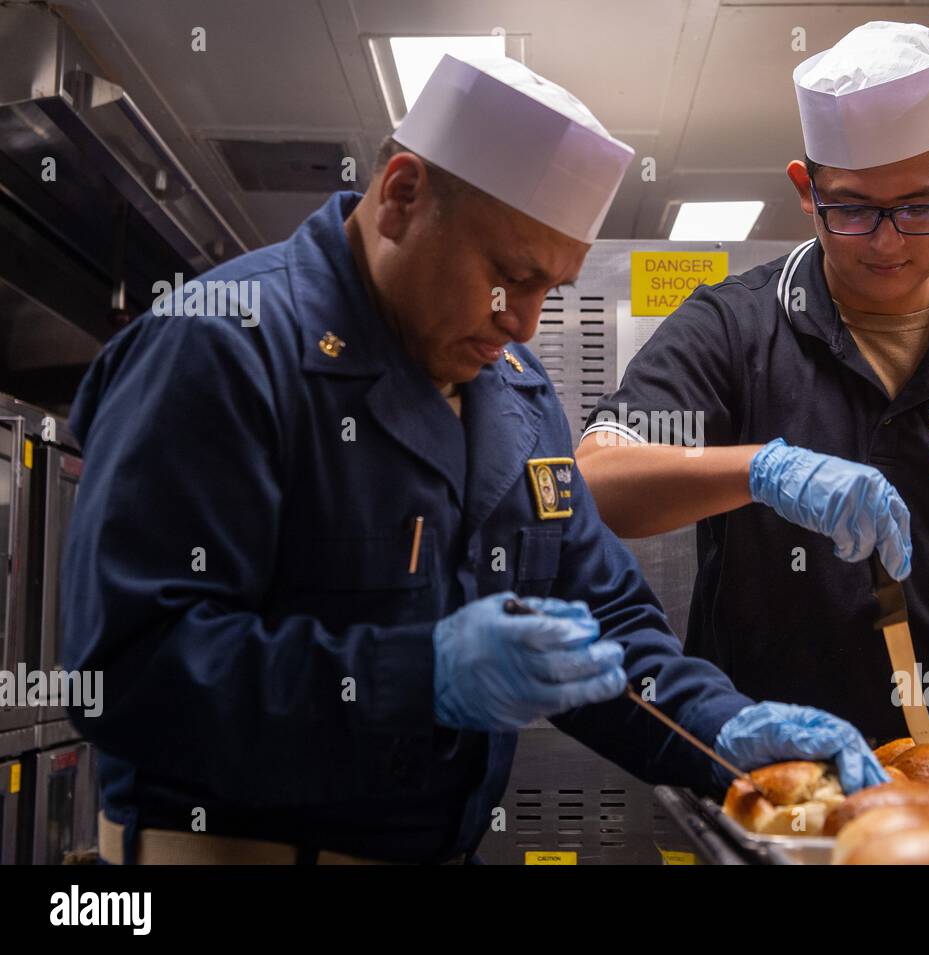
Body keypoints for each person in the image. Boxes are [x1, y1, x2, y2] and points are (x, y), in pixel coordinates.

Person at [61, 54, 886, 865]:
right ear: (402, 197)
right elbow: (130, 671)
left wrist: (722, 728)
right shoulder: (224, 347)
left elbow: (605, 628)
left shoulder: (518, 399)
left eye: (550, 290)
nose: (524, 324)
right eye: (510, 276)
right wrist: (416, 675)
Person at [576, 22, 929, 751]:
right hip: (759, 767)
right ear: (807, 190)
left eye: (920, 207)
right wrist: (761, 471)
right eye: (855, 209)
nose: (889, 241)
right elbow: (597, 479)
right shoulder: (734, 328)